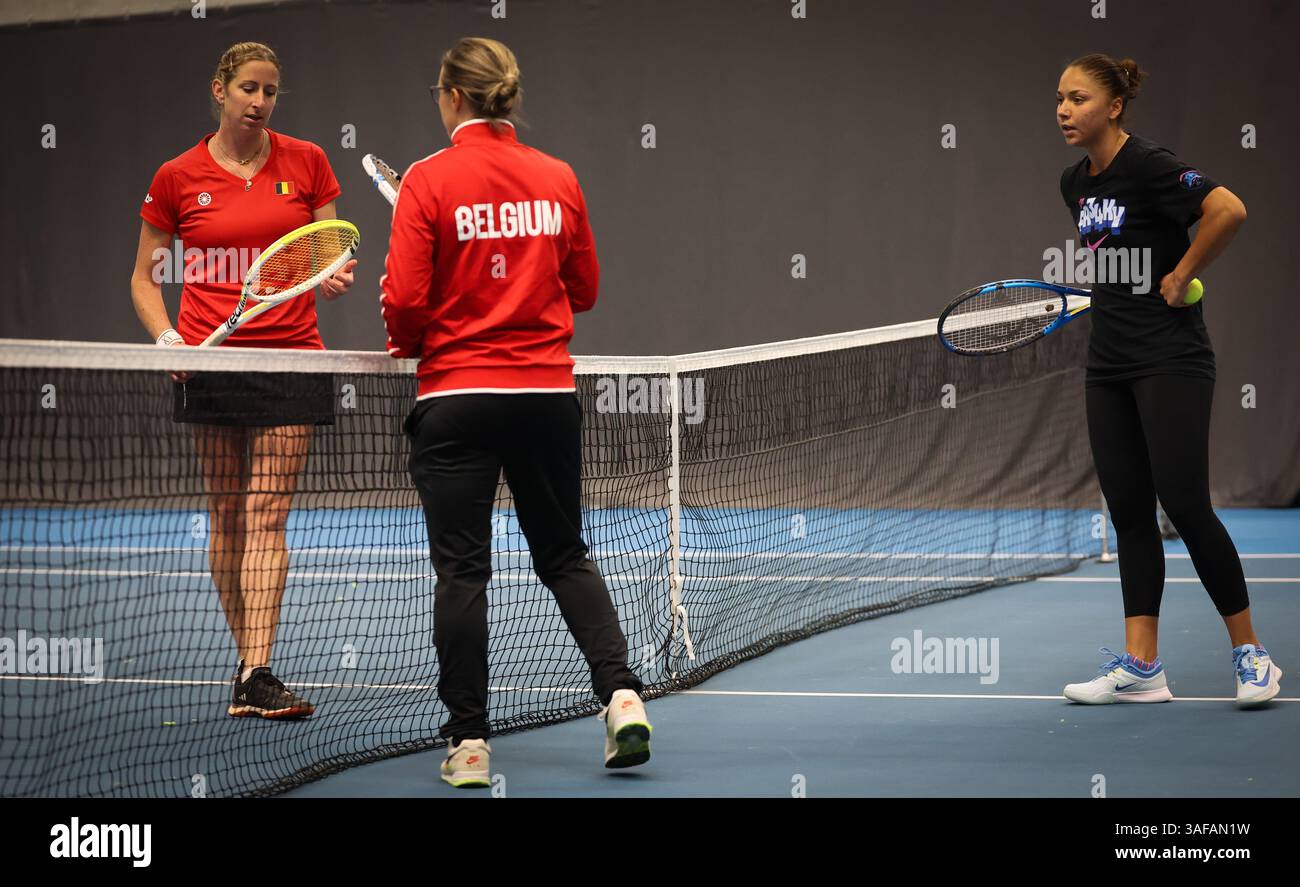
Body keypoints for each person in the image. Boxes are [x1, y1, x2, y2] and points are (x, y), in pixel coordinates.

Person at [380, 37, 651, 787]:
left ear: (453, 97)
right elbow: (585, 288)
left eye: (438, 94)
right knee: (565, 554)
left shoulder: (428, 183)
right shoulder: (557, 175)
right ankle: (622, 697)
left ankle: (468, 745)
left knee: (462, 572)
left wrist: (413, 331)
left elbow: (403, 305)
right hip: (543, 397)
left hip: (456, 398)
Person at [130, 41, 356, 719]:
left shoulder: (308, 161)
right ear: (220, 90)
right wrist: (168, 338)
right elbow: (143, 278)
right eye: (249, 89)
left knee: (266, 511)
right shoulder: (177, 176)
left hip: (291, 357)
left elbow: (331, 247)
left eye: (271, 92)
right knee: (227, 512)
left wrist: (337, 272)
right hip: (211, 360)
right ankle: (248, 667)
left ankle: (258, 664)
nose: (260, 102)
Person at [1054, 53, 1280, 706]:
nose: (1064, 111)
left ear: (1114, 106)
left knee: (1183, 503)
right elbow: (1120, 259)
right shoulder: (1074, 184)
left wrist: (1181, 276)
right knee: (1128, 511)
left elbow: (1228, 209)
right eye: (1059, 100)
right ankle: (1143, 666)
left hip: (1171, 359)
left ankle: (1252, 654)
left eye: (1077, 99)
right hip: (1108, 364)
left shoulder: (1150, 164)